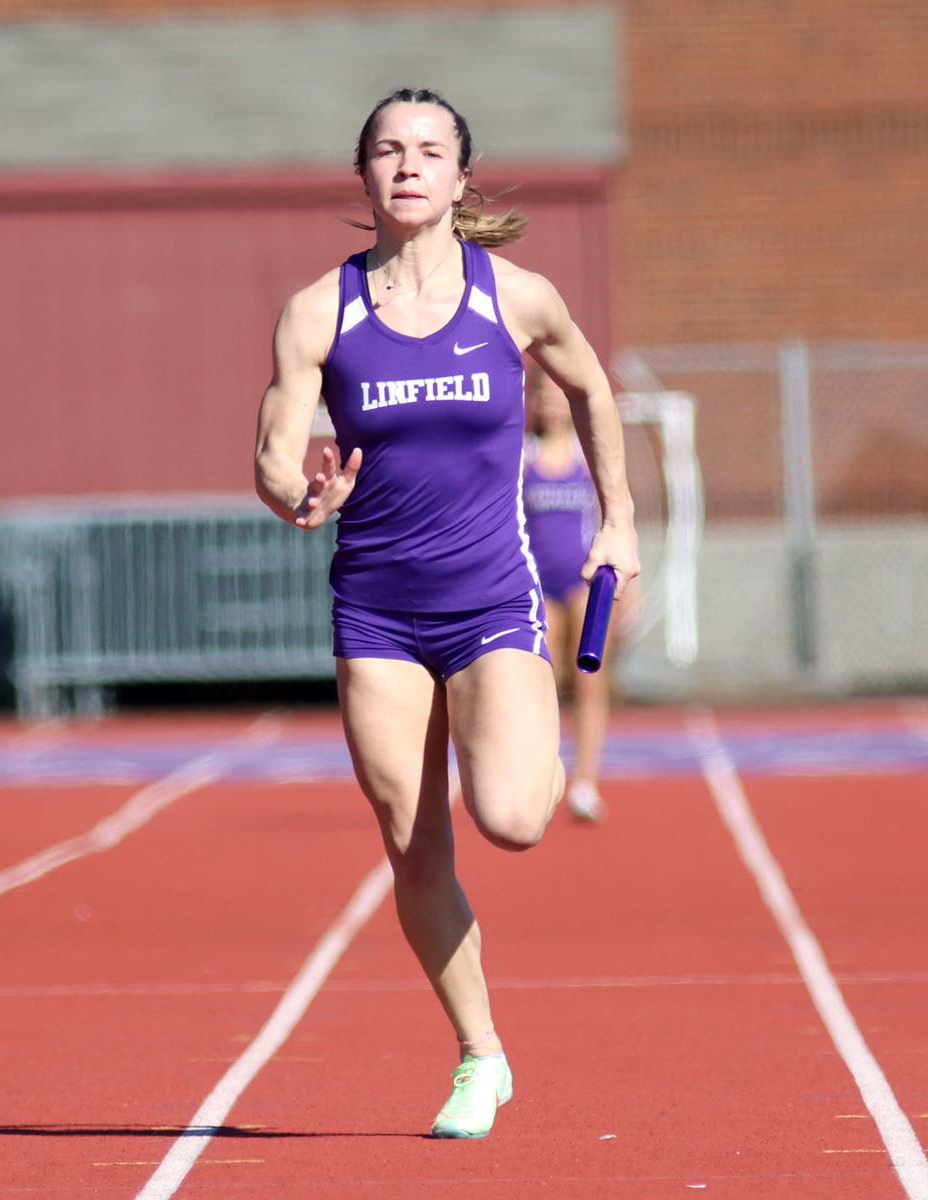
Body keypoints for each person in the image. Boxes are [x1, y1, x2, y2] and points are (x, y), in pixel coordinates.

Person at [253, 87, 639, 1139]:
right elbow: (274, 454)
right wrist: (300, 497)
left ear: (463, 179)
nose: (408, 165)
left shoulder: (514, 297)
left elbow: (595, 392)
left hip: (490, 602)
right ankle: (480, 1055)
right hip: (375, 612)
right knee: (415, 848)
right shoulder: (318, 313)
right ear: (366, 177)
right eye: (388, 150)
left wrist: (621, 521)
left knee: (512, 819)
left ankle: (536, 735)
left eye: (430, 151)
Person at [522, 360, 629, 823]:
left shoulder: (588, 460)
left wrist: (626, 583)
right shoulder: (522, 457)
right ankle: (546, 771)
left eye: (555, 395)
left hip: (586, 582)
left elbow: (615, 517)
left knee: (589, 678)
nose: (549, 403)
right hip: (537, 584)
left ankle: (586, 779)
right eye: (540, 395)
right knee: (542, 681)